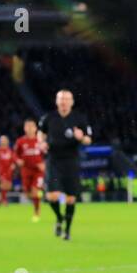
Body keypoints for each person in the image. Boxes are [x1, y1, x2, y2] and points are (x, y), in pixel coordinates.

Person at [39, 90, 92, 240]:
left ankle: (67, 231)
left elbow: (89, 140)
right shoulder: (48, 118)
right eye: (61, 99)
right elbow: (41, 133)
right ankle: (59, 217)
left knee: (70, 198)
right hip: (53, 160)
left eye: (67, 99)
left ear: (72, 102)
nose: (63, 102)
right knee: (52, 196)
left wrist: (81, 138)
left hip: (71, 161)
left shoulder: (79, 119)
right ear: (57, 101)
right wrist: (41, 143)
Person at [14, 119, 45, 222]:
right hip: (26, 170)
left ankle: (36, 212)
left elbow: (48, 152)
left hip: (38, 171)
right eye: (28, 126)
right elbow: (15, 154)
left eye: (32, 126)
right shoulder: (20, 141)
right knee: (27, 193)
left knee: (35, 191)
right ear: (24, 128)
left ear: (36, 128)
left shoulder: (40, 141)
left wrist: (44, 163)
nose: (30, 128)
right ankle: (38, 195)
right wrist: (18, 160)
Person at [0, 135, 16, 206]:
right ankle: (4, 200)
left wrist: (13, 165)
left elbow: (14, 159)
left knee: (8, 186)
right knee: (3, 184)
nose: (3, 142)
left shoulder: (10, 151)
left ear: (7, 141)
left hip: (9, 171)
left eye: (4, 140)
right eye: (1, 140)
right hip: (1, 171)